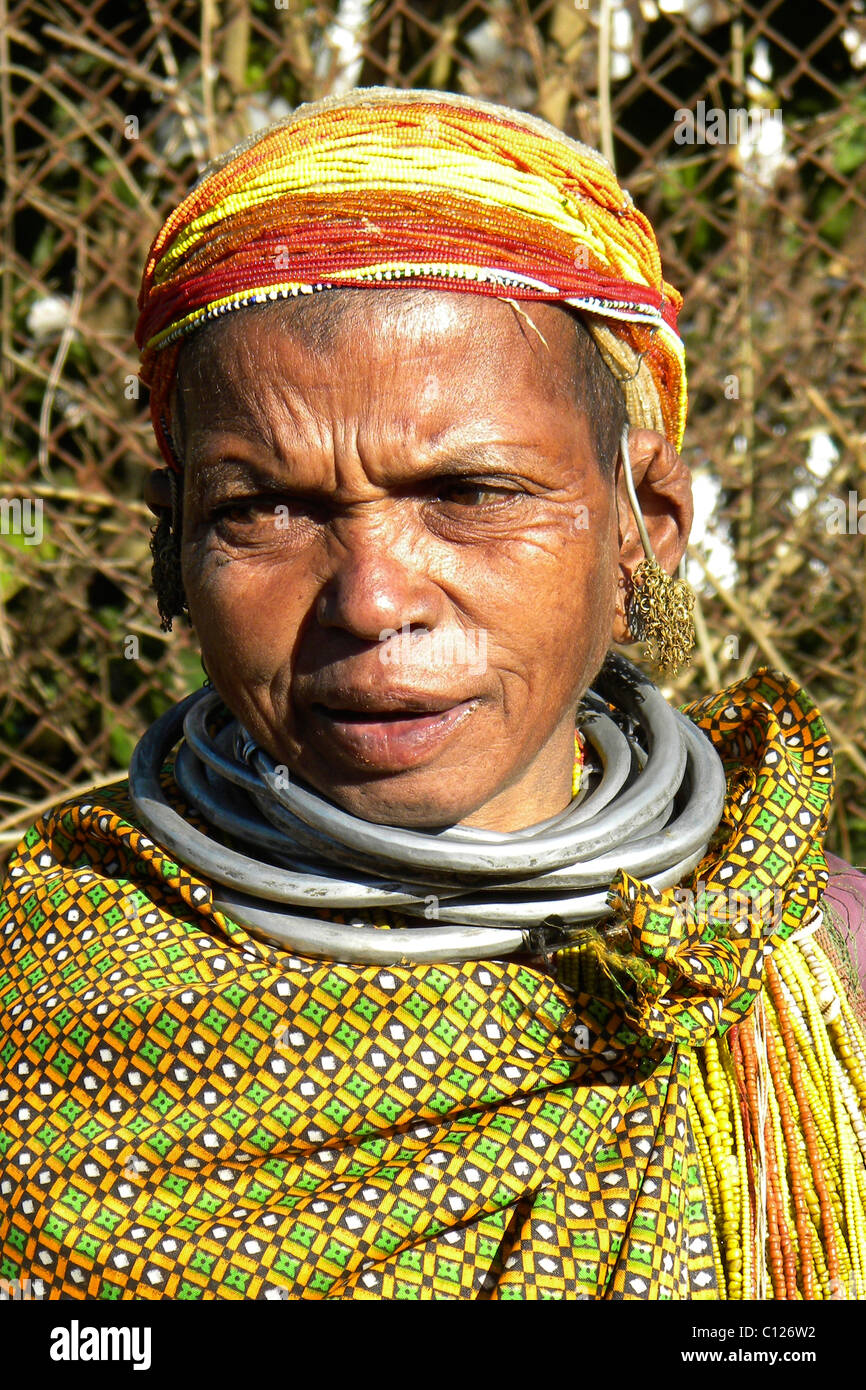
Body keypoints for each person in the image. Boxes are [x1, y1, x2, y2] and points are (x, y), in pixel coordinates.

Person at [1, 87, 864, 1302]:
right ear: (171, 548)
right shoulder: (44, 1005)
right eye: (263, 509)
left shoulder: (818, 978)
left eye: (471, 492)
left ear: (643, 529)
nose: (368, 599)